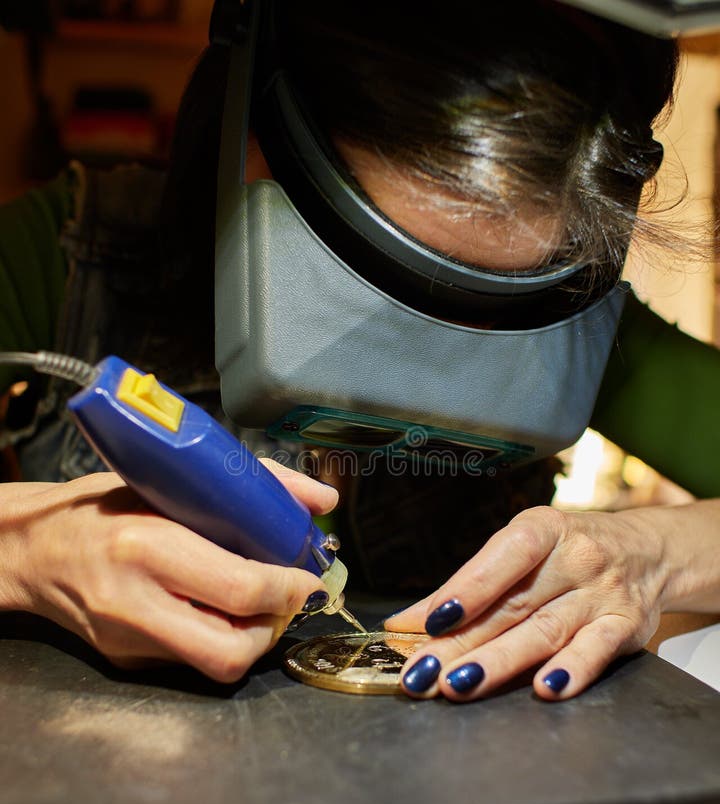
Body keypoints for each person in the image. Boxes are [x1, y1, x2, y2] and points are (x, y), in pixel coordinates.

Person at [1, 0, 720, 698]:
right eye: (371, 284)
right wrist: (25, 551)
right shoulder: (54, 258)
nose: (425, 342)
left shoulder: (580, 333)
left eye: (492, 307)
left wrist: (654, 556)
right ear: (250, 131)